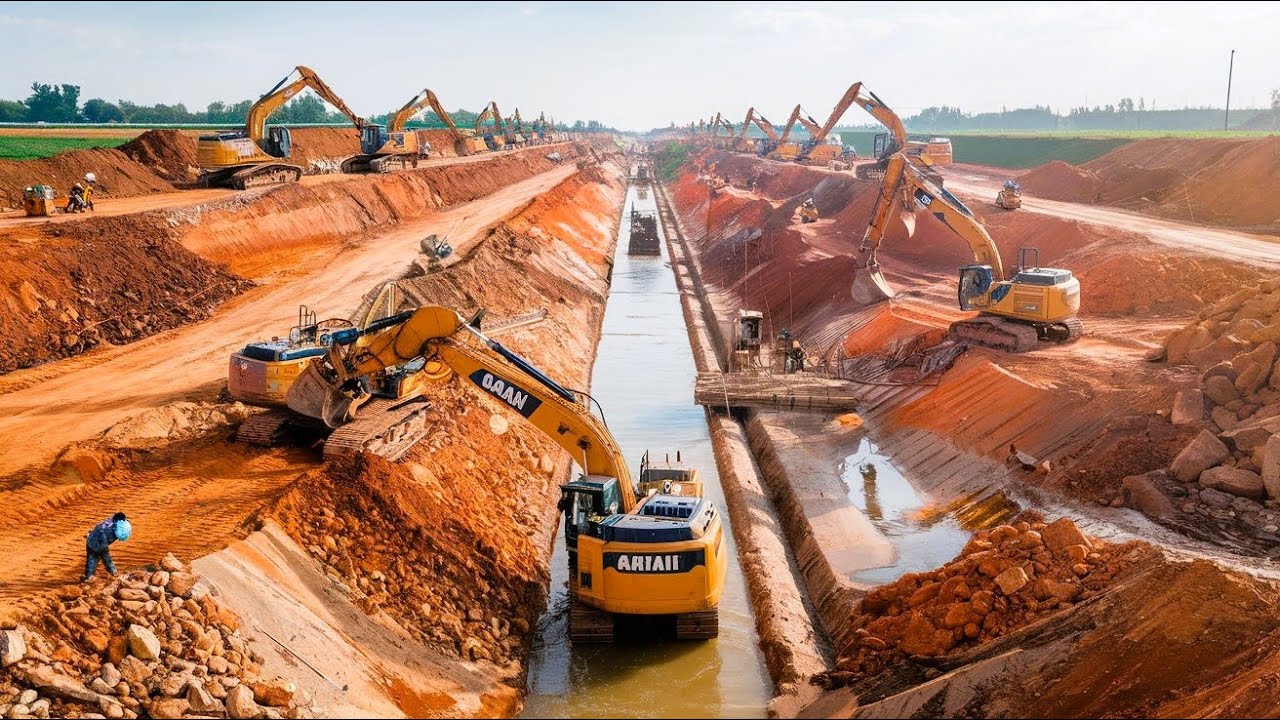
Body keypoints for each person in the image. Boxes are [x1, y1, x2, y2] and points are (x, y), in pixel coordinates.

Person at [82, 512, 131, 582]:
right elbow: (102, 537)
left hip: (98, 542)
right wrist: (104, 549)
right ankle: (88, 579)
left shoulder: (113, 523)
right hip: (93, 546)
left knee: (107, 561)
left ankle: (114, 574)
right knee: (92, 563)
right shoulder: (107, 529)